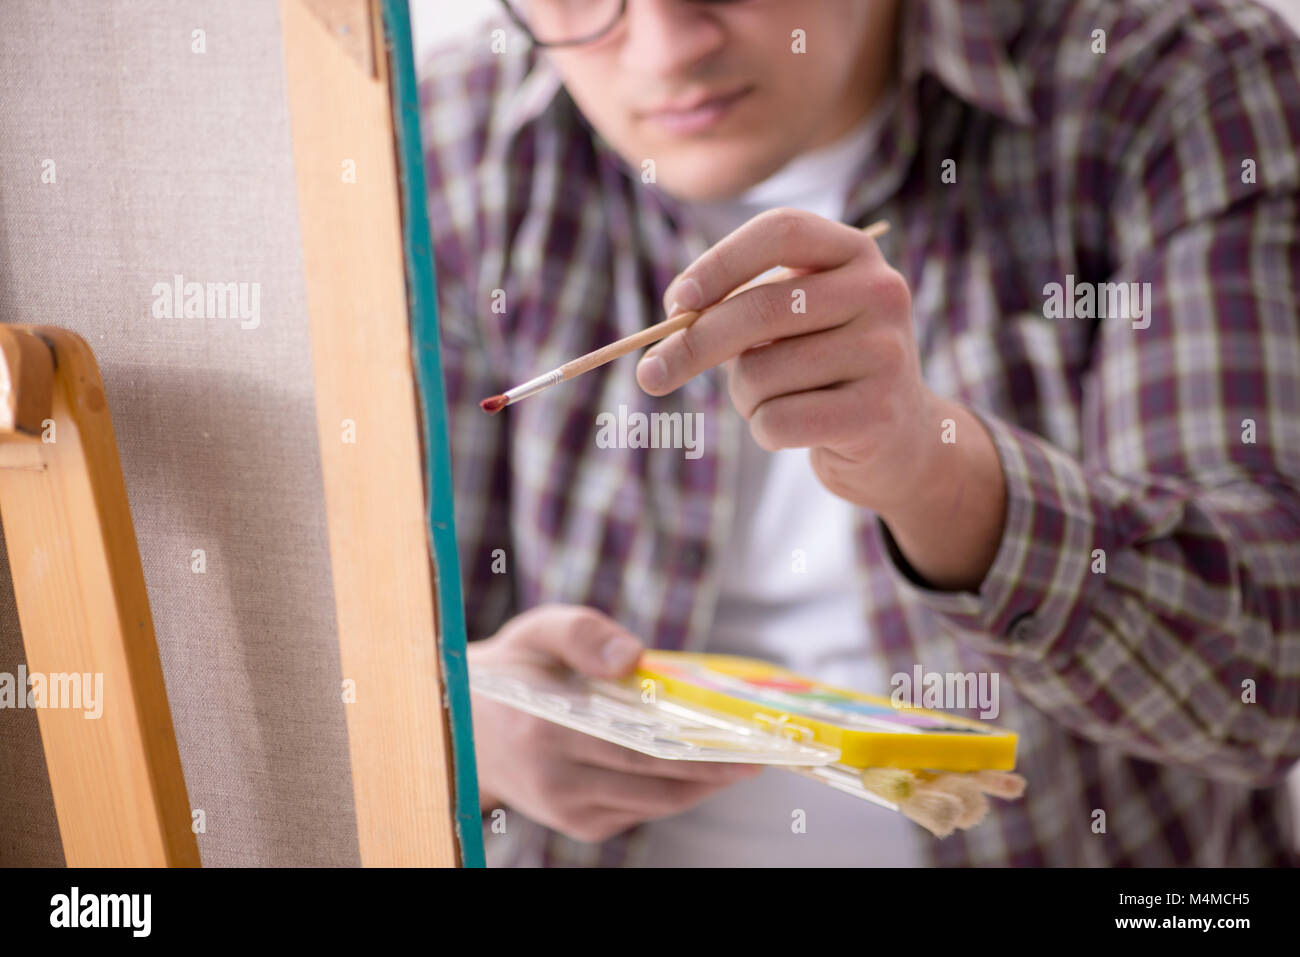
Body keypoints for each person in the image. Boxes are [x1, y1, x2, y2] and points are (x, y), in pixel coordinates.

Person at [421, 0, 1300, 866]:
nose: (664, 48)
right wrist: (467, 734)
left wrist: (935, 473)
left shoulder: (1173, 83)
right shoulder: (453, 148)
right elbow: (390, 662)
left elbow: (1271, 677)